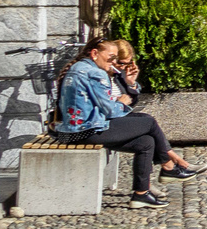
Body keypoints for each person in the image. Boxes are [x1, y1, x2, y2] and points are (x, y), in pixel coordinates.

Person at [53, 38, 183, 208]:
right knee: (148, 122)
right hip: (84, 131)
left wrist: (124, 96)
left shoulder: (79, 68)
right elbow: (110, 110)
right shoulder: (95, 73)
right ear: (94, 54)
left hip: (73, 131)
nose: (114, 62)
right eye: (111, 58)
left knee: (146, 142)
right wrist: (122, 102)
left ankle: (141, 194)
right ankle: (168, 167)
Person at [102, 40, 204, 180]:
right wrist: (119, 103)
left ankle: (144, 190)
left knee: (147, 140)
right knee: (148, 122)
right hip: (105, 124)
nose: (124, 68)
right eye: (121, 63)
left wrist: (130, 83)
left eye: (129, 63)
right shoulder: (101, 76)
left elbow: (130, 103)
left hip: (116, 119)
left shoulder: (117, 76)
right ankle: (173, 163)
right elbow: (108, 108)